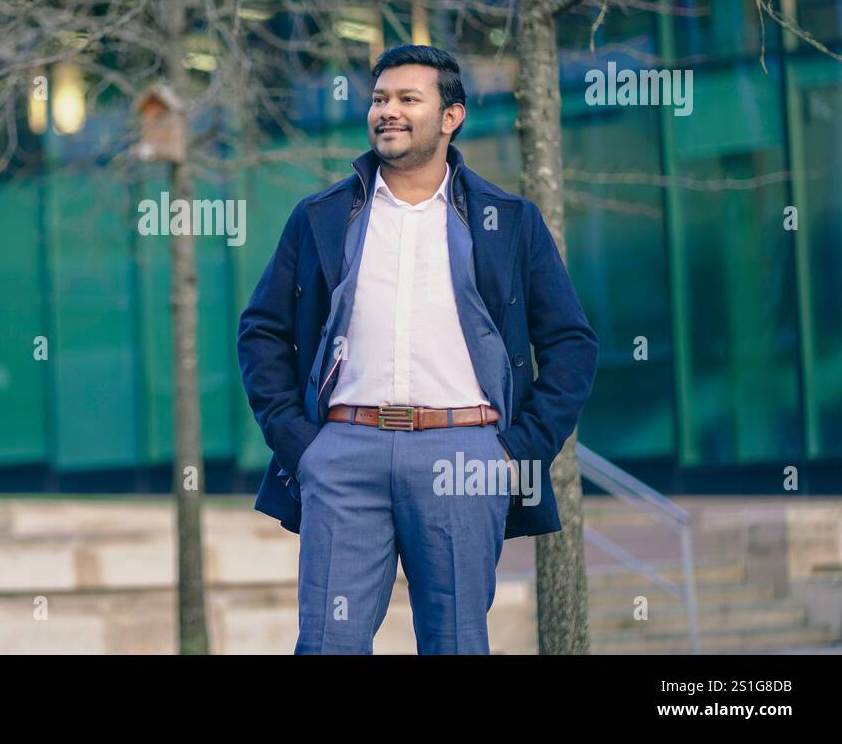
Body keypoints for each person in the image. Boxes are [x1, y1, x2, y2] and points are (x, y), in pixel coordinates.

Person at [237, 44, 599, 654]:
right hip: (344, 454)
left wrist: (516, 451)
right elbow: (262, 332)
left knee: (456, 642)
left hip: (464, 456)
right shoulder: (322, 217)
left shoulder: (508, 221)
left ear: (450, 116)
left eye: (409, 99)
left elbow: (570, 343)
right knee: (328, 642)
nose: (388, 111)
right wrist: (303, 446)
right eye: (380, 99)